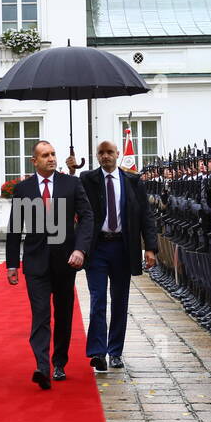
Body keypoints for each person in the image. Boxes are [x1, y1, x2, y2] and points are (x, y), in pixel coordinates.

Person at [6, 140, 94, 388]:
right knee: (41, 314)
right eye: (45, 155)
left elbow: (87, 217)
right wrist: (12, 264)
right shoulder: (23, 189)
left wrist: (80, 249)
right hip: (35, 262)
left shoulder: (71, 183)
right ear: (35, 161)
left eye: (53, 154)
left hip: (66, 261)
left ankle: (59, 363)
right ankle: (42, 366)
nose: (51, 159)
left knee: (64, 314)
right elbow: (15, 227)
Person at [80, 139, 157, 371]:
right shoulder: (88, 180)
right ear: (97, 156)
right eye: (101, 153)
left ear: (117, 154)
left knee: (120, 301)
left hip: (123, 248)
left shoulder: (132, 181)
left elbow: (146, 215)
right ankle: (97, 353)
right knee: (97, 301)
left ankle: (115, 352)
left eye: (109, 152)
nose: (105, 156)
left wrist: (151, 247)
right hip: (98, 249)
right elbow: (73, 200)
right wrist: (72, 169)